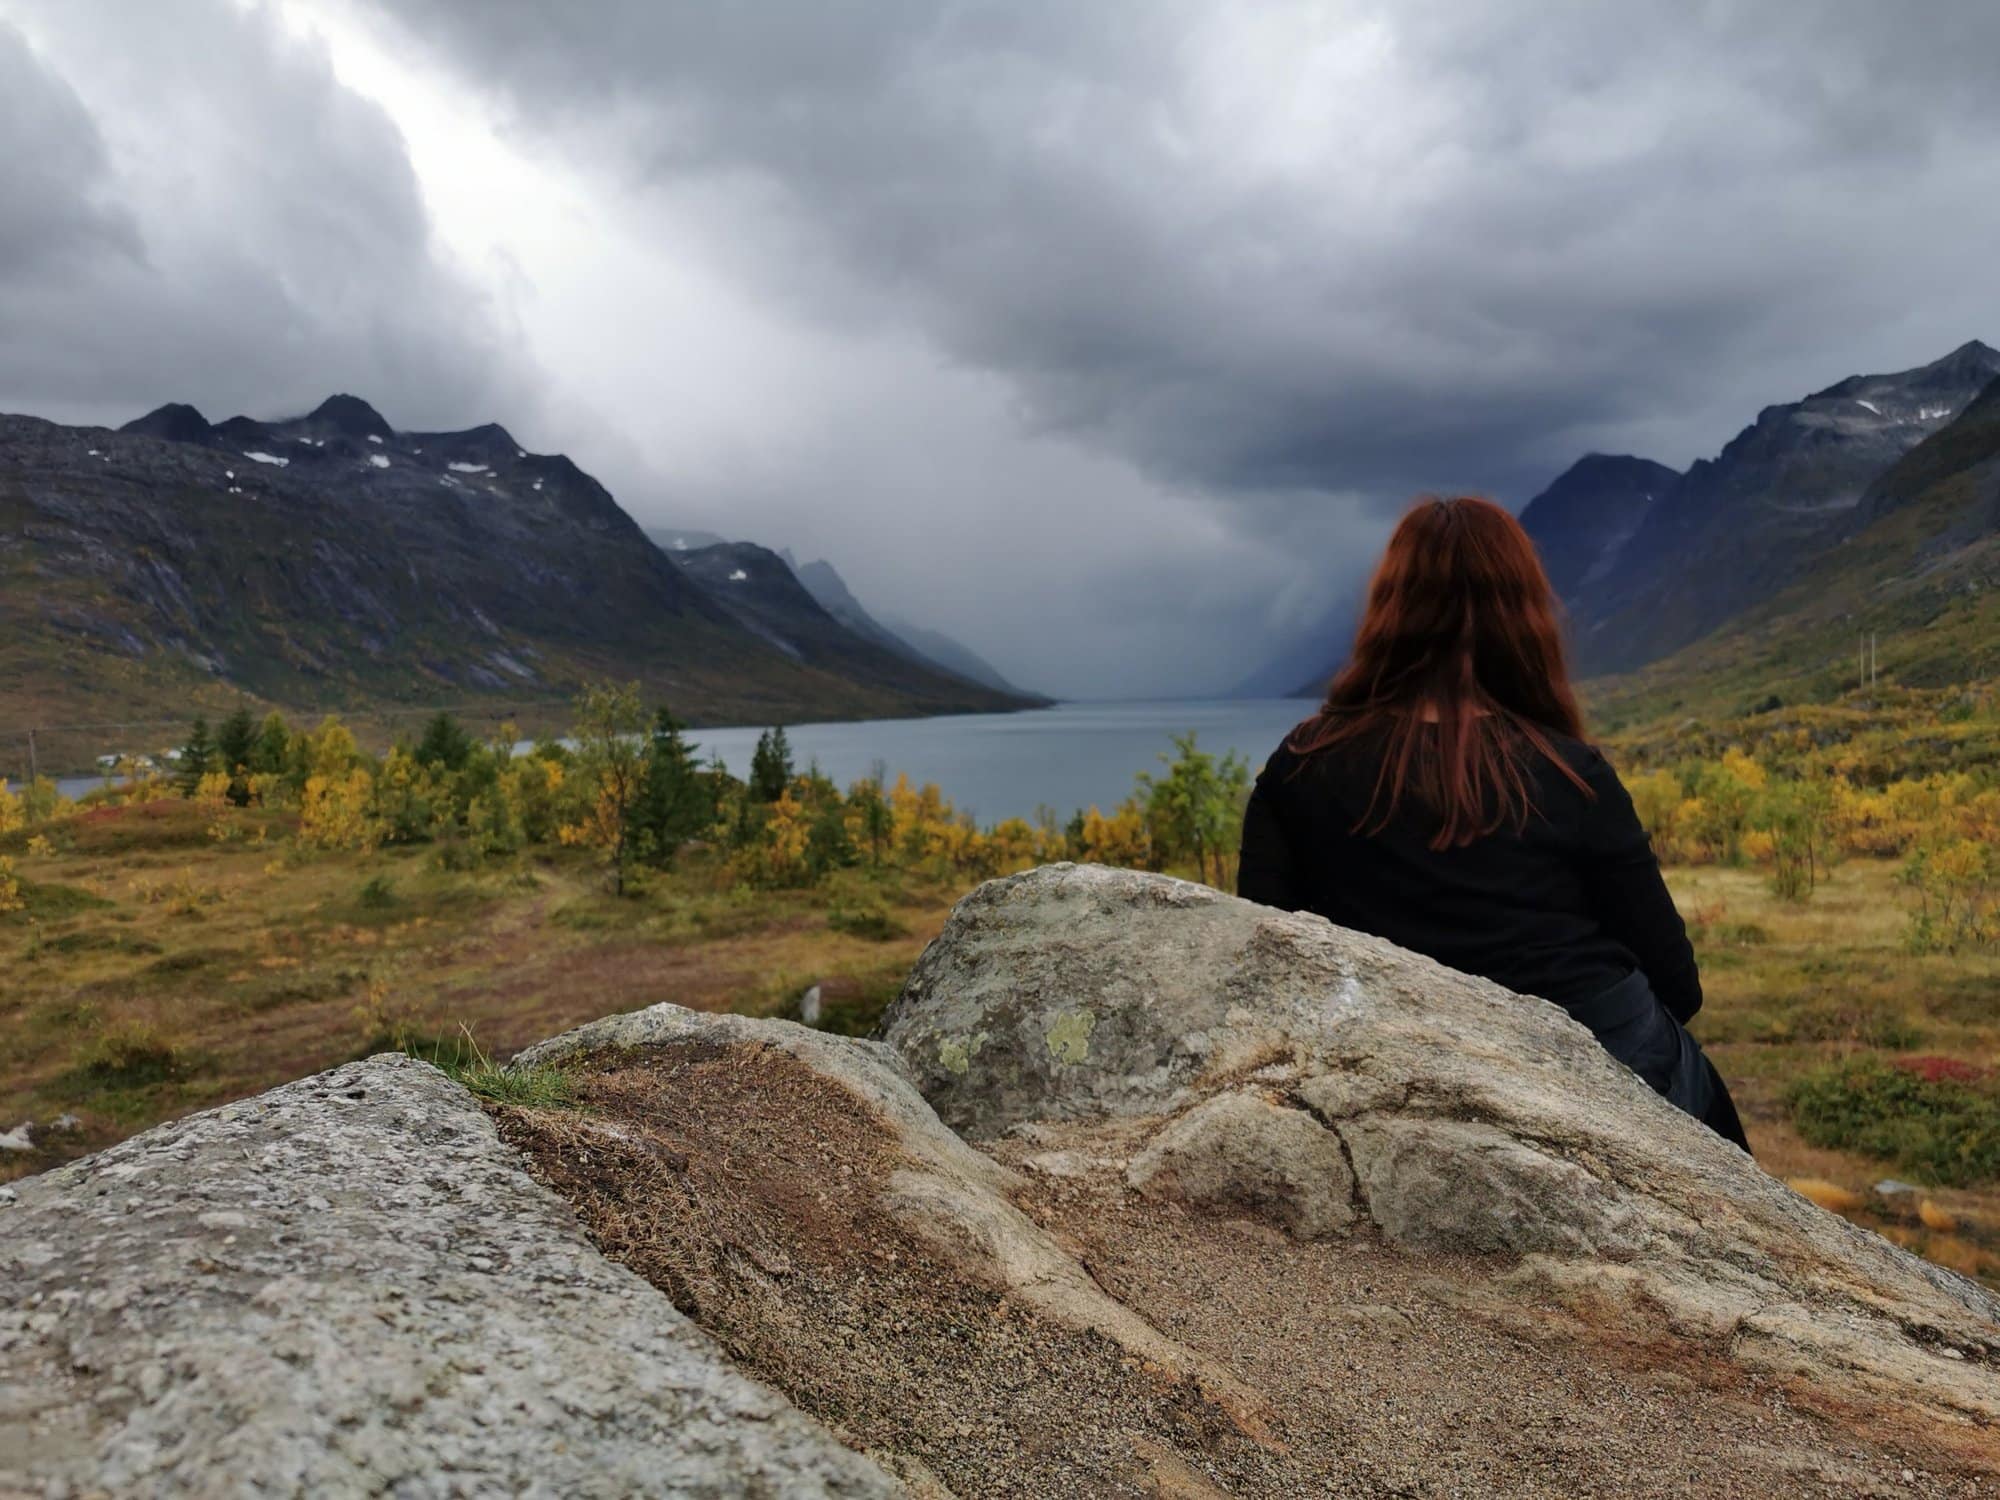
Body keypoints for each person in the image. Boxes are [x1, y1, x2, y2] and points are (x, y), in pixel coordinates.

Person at [1238, 495, 1749, 1151]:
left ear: (1391, 610)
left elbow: (1269, 964)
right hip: (1598, 1072)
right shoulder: (1570, 774)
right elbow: (1679, 986)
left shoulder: (1299, 767)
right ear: (1524, 617)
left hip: (1391, 1081)